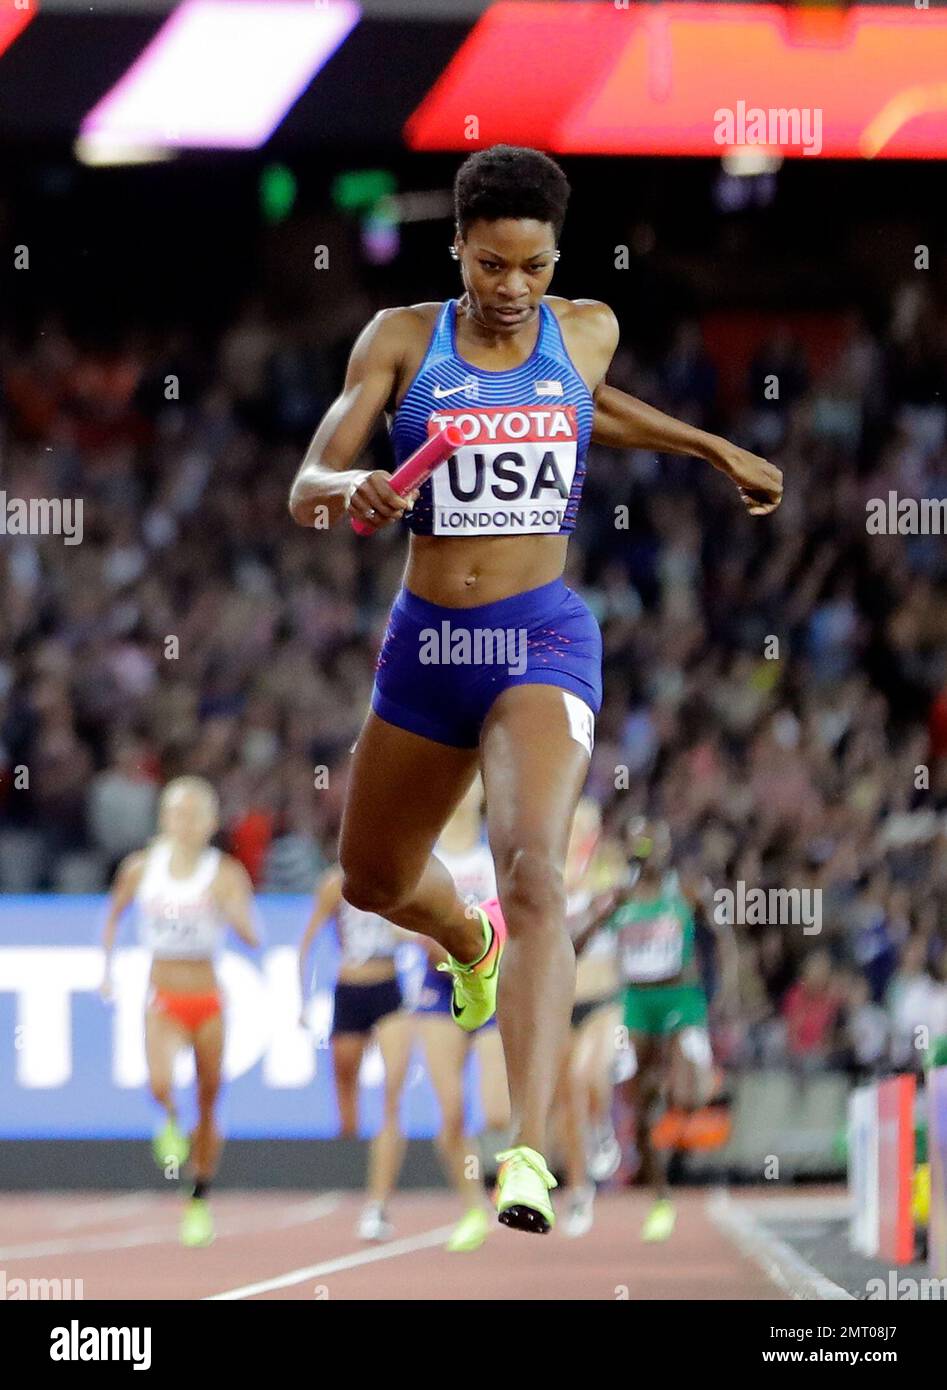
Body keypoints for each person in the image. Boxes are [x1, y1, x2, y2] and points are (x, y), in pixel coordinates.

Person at [288, 143, 782, 1232]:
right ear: (456, 249)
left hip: (536, 641)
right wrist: (350, 487)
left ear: (554, 255)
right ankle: (467, 940)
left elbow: (586, 409)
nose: (511, 290)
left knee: (537, 873)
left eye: (531, 266)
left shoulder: (584, 328)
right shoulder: (402, 339)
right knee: (371, 879)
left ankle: (525, 1154)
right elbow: (305, 485)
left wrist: (710, 450)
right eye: (489, 265)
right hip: (426, 644)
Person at [101, 776, 259, 1247]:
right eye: (177, 813)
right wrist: (106, 970)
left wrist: (229, 911)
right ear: (164, 818)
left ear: (210, 823)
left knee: (210, 1100)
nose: (186, 823)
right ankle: (168, 1119)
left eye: (195, 815)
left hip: (208, 998)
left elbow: (253, 937)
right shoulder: (141, 868)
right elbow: (112, 918)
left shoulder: (225, 872)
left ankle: (198, 1197)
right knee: (160, 1083)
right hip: (163, 996)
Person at [576, 819, 736, 1242]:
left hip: (682, 1001)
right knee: (637, 1102)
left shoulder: (686, 889)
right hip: (638, 1004)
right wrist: (595, 915)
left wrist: (723, 993)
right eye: (643, 844)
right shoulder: (620, 897)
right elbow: (577, 944)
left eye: (659, 843)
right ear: (632, 850)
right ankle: (661, 1198)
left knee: (689, 1097)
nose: (652, 851)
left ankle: (677, 1087)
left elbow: (722, 939)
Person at [411, 776, 510, 1251]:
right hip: (438, 984)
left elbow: (515, 909)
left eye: (471, 782)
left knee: (495, 1112)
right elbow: (401, 911)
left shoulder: (498, 846)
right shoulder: (422, 846)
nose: (462, 790)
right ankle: (474, 1209)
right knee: (450, 1112)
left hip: (489, 982)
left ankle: (517, 1168)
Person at [298, 866, 413, 1241]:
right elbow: (308, 940)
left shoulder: (401, 877)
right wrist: (302, 999)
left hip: (389, 991)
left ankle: (379, 1201)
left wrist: (407, 932)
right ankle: (354, 1165)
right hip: (349, 991)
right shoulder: (334, 884)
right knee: (347, 1107)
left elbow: (422, 929)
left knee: (392, 1096)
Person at [556, 797, 624, 1237]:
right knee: (567, 1099)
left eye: (589, 825)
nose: (583, 833)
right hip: (562, 1000)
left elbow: (615, 899)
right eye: (576, 824)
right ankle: (578, 1190)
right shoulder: (546, 870)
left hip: (604, 996)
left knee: (589, 1076)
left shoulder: (609, 867)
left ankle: (602, 1125)